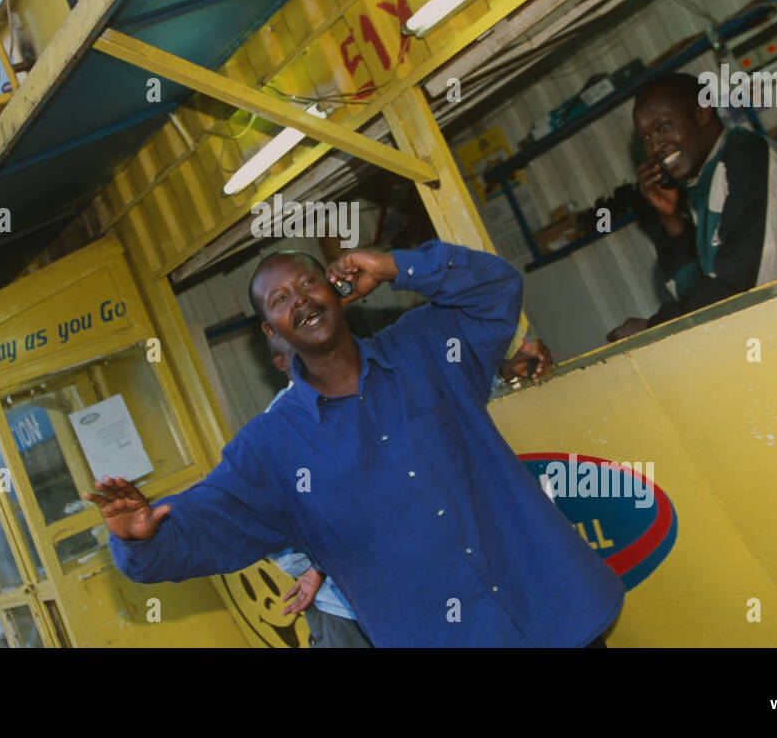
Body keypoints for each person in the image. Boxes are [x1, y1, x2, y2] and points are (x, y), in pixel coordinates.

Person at [87, 241, 623, 647]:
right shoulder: (271, 450)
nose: (299, 300)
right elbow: (202, 528)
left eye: (307, 283)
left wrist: (396, 266)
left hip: (559, 613)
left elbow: (495, 289)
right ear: (272, 333)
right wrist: (139, 540)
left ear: (336, 290)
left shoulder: (425, 346)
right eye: (279, 300)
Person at [608, 72, 777, 341]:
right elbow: (696, 291)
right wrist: (671, 220)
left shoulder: (748, 159)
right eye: (645, 139)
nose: (655, 146)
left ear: (703, 113)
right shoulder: (705, 181)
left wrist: (653, 328)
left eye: (663, 127)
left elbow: (737, 288)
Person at [262, 334, 374, 648]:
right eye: (298, 350)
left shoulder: (363, 397)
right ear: (281, 363)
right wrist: (317, 568)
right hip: (340, 609)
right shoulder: (275, 432)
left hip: (400, 590)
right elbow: (268, 522)